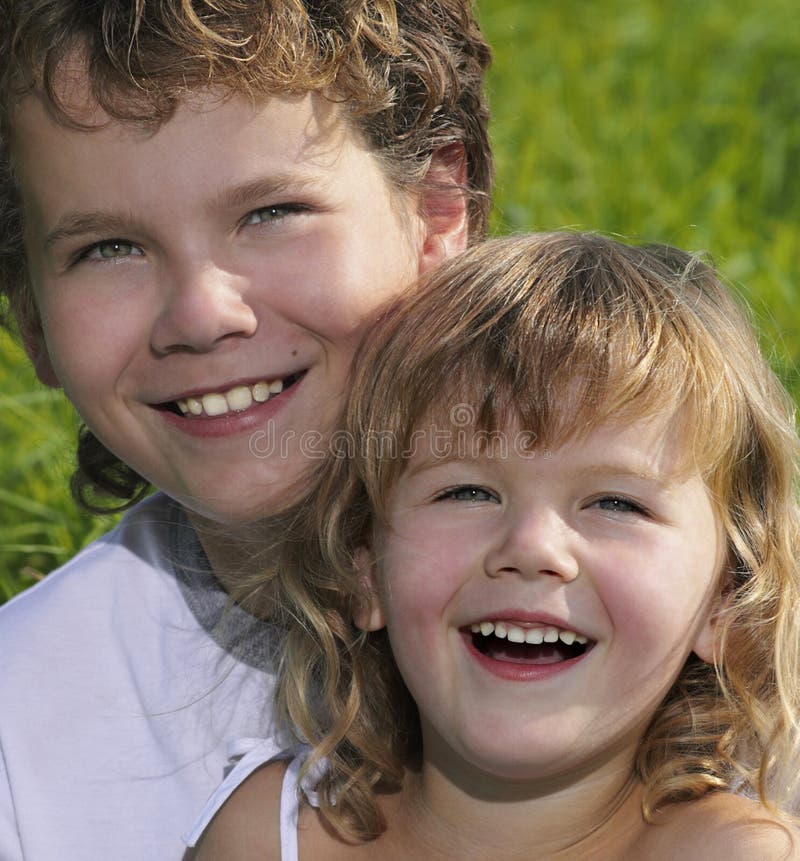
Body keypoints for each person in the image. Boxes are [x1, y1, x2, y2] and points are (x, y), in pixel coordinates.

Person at [0, 2, 492, 858]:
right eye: (108, 248)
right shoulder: (22, 734)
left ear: (438, 207)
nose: (199, 314)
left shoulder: (700, 606)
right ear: (30, 316)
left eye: (271, 214)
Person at [188, 232, 800, 860]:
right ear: (363, 568)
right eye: (468, 493)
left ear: (727, 599)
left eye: (617, 504)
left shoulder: (737, 853)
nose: (531, 547)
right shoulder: (269, 836)